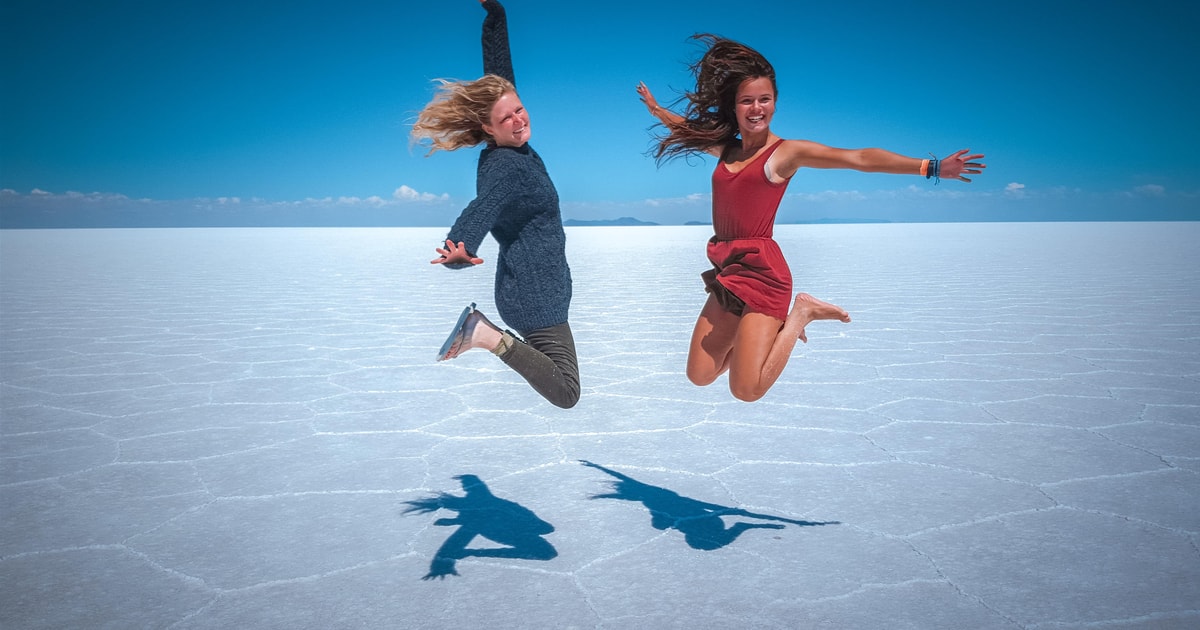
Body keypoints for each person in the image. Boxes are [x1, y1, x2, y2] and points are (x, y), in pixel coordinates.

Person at [637, 34, 985, 403]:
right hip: (728, 269)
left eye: (765, 99)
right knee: (700, 374)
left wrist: (930, 167)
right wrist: (657, 111)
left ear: (775, 103)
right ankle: (762, 334)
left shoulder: (786, 153)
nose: (757, 108)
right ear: (734, 107)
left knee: (746, 389)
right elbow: (687, 130)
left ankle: (801, 313)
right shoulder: (728, 150)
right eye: (747, 101)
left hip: (762, 274)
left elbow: (858, 158)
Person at [410, 0, 579, 409]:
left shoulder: (508, 146)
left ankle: (488, 333)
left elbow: (500, 76)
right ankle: (485, 334)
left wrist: (495, 17)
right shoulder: (506, 166)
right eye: (508, 119)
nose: (519, 120)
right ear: (488, 127)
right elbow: (484, 205)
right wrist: (460, 246)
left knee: (564, 384)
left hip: (535, 287)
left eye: (519, 109)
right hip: (534, 295)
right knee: (566, 391)